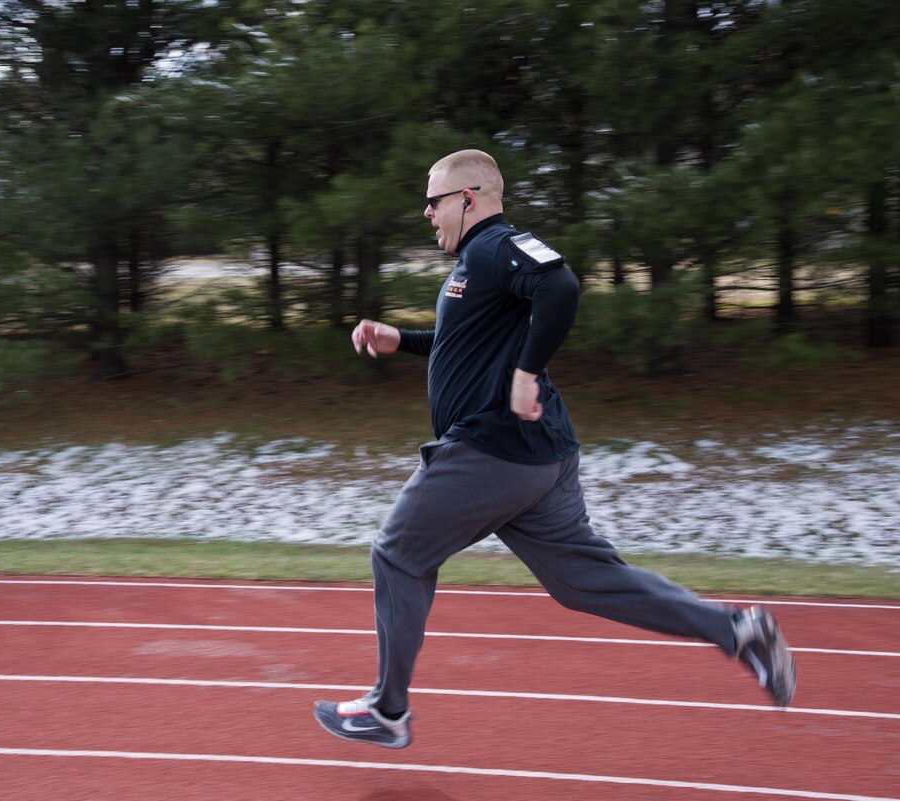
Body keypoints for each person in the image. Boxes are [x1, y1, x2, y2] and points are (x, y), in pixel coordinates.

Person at [312, 149, 796, 750]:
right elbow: (469, 340)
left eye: (433, 202)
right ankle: (738, 631)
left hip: (492, 448)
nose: (427, 214)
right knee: (582, 581)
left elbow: (561, 286)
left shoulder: (496, 246)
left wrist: (525, 374)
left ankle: (388, 709)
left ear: (468, 199)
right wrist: (403, 340)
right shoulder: (477, 262)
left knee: (397, 555)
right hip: (537, 458)